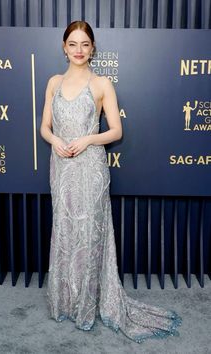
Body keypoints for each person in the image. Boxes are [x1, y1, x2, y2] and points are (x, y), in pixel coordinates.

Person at [40, 20, 182, 344]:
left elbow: (116, 131)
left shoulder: (102, 83)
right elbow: (44, 126)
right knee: (64, 229)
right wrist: (54, 140)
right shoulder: (52, 82)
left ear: (93, 48)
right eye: (72, 44)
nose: (78, 50)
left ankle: (87, 306)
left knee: (90, 234)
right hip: (61, 166)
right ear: (64, 47)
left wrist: (89, 138)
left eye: (84, 44)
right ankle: (66, 301)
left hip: (90, 168)